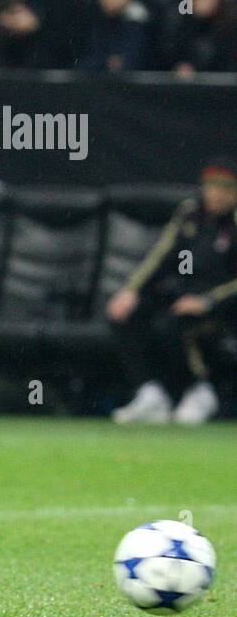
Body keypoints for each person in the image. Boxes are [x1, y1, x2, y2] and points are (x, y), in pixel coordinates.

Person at [107, 157, 237, 425]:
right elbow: (161, 255)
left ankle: (200, 391)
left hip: (222, 305)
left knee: (172, 325)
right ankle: (150, 392)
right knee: (126, 314)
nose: (218, 195)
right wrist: (131, 290)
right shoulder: (189, 213)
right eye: (213, 188)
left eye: (226, 189)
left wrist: (207, 300)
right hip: (183, 296)